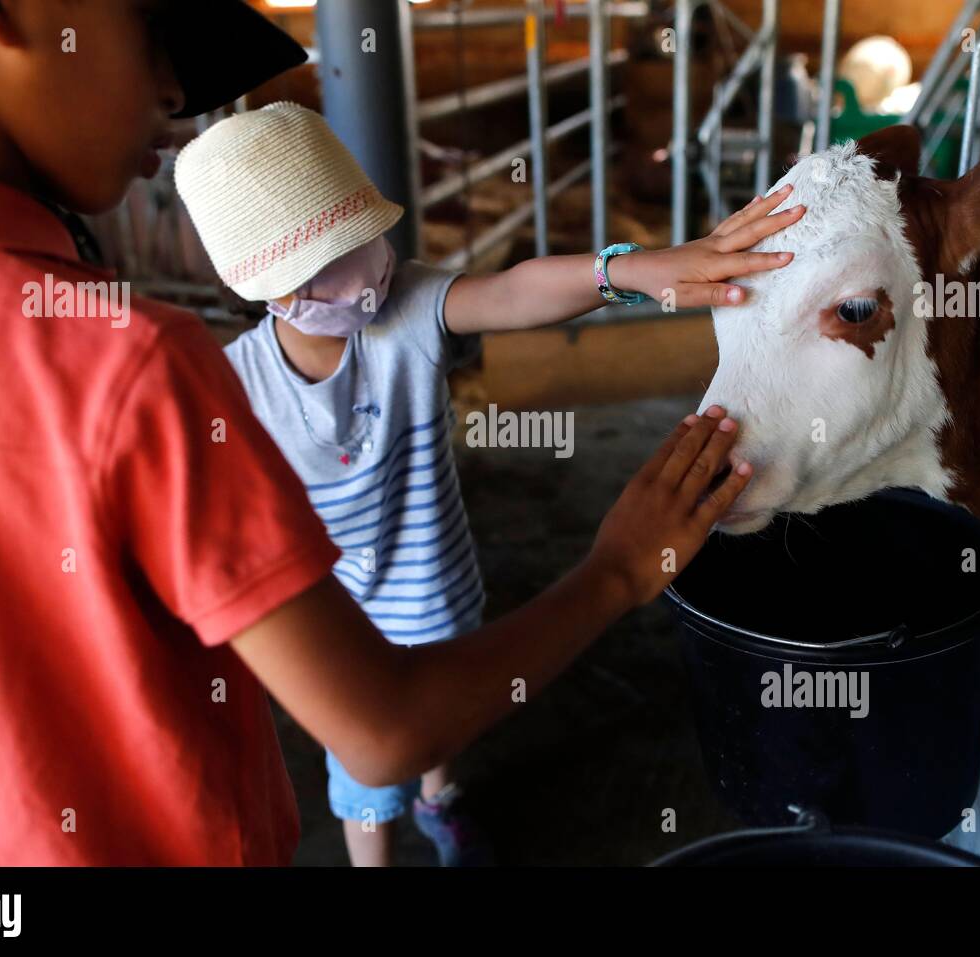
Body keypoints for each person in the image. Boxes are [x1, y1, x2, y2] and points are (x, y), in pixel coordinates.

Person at [0, 0, 773, 865]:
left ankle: (442, 802)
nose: (173, 91)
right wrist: (617, 568)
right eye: (151, 20)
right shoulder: (145, 367)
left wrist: (631, 269)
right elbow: (379, 728)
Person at [174, 104, 801, 866]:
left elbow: (513, 292)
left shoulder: (406, 304)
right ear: (275, 295)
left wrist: (627, 270)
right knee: (366, 784)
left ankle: (441, 805)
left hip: (437, 589)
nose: (362, 273)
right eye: (327, 267)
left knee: (445, 720)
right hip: (341, 628)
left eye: (362, 242)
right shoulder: (235, 388)